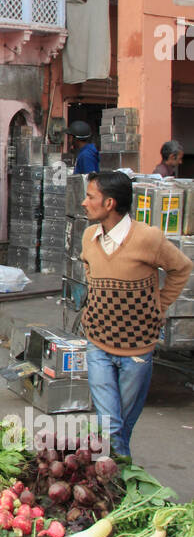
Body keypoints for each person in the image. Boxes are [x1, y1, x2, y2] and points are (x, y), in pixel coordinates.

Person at [79, 170, 192, 463]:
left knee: (121, 425)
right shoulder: (89, 236)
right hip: (98, 343)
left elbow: (181, 268)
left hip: (137, 349)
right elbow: (89, 269)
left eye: (90, 197)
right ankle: (115, 480)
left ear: (109, 203)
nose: (84, 202)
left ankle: (114, 476)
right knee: (110, 423)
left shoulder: (148, 238)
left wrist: (160, 305)